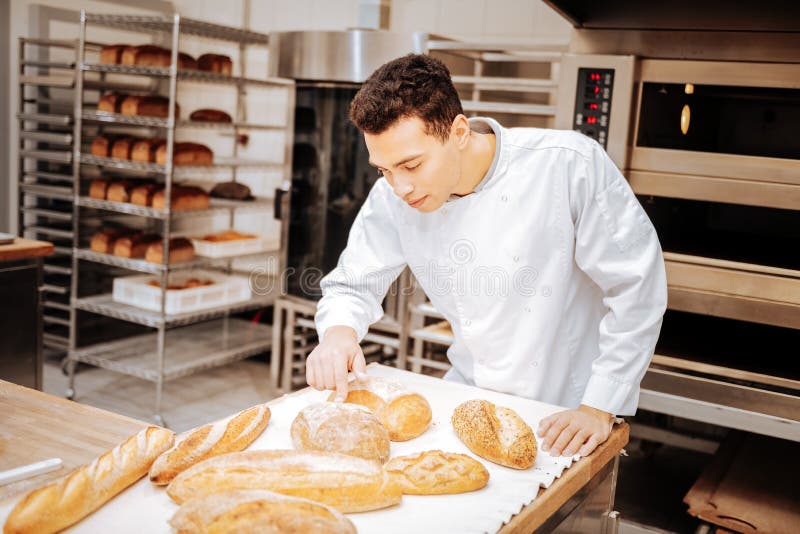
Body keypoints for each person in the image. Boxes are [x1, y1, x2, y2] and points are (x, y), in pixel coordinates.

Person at [305, 54, 667, 458]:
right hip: (469, 397)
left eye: (411, 164)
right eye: (383, 170)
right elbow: (354, 282)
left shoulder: (567, 165)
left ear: (458, 132)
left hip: (569, 410)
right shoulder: (393, 198)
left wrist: (600, 405)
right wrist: (338, 334)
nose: (400, 187)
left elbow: (637, 288)